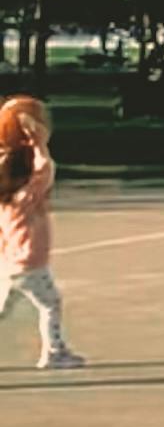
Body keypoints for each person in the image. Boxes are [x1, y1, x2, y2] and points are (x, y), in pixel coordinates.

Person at [1, 94, 78, 368]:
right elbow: (45, 169)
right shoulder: (28, 195)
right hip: (30, 262)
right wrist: (38, 143)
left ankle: (56, 351)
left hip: (10, 261)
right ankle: (54, 353)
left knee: (2, 311)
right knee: (51, 304)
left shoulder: (6, 195)